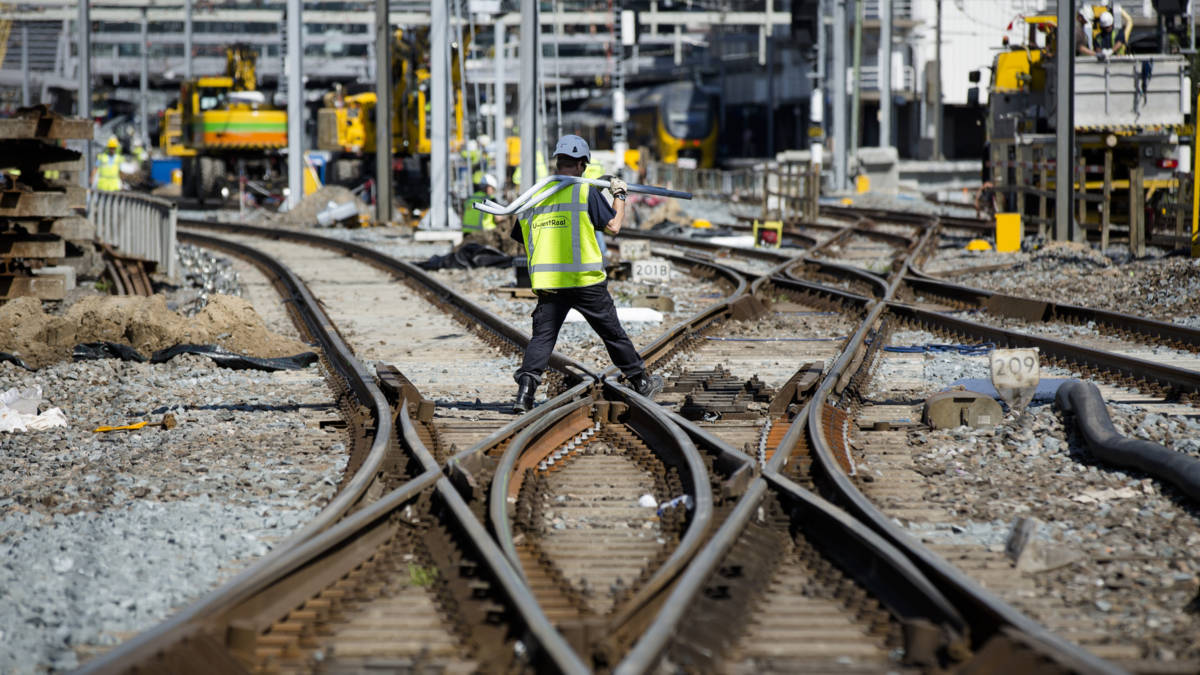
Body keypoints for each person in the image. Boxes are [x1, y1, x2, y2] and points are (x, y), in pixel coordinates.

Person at [510, 134, 663, 413]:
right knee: (612, 333)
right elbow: (613, 226)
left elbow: (521, 236)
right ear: (582, 164)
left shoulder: (536, 194)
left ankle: (524, 394)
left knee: (542, 339)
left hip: (549, 282)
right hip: (585, 281)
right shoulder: (584, 191)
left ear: (558, 161)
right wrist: (620, 196)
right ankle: (641, 382)